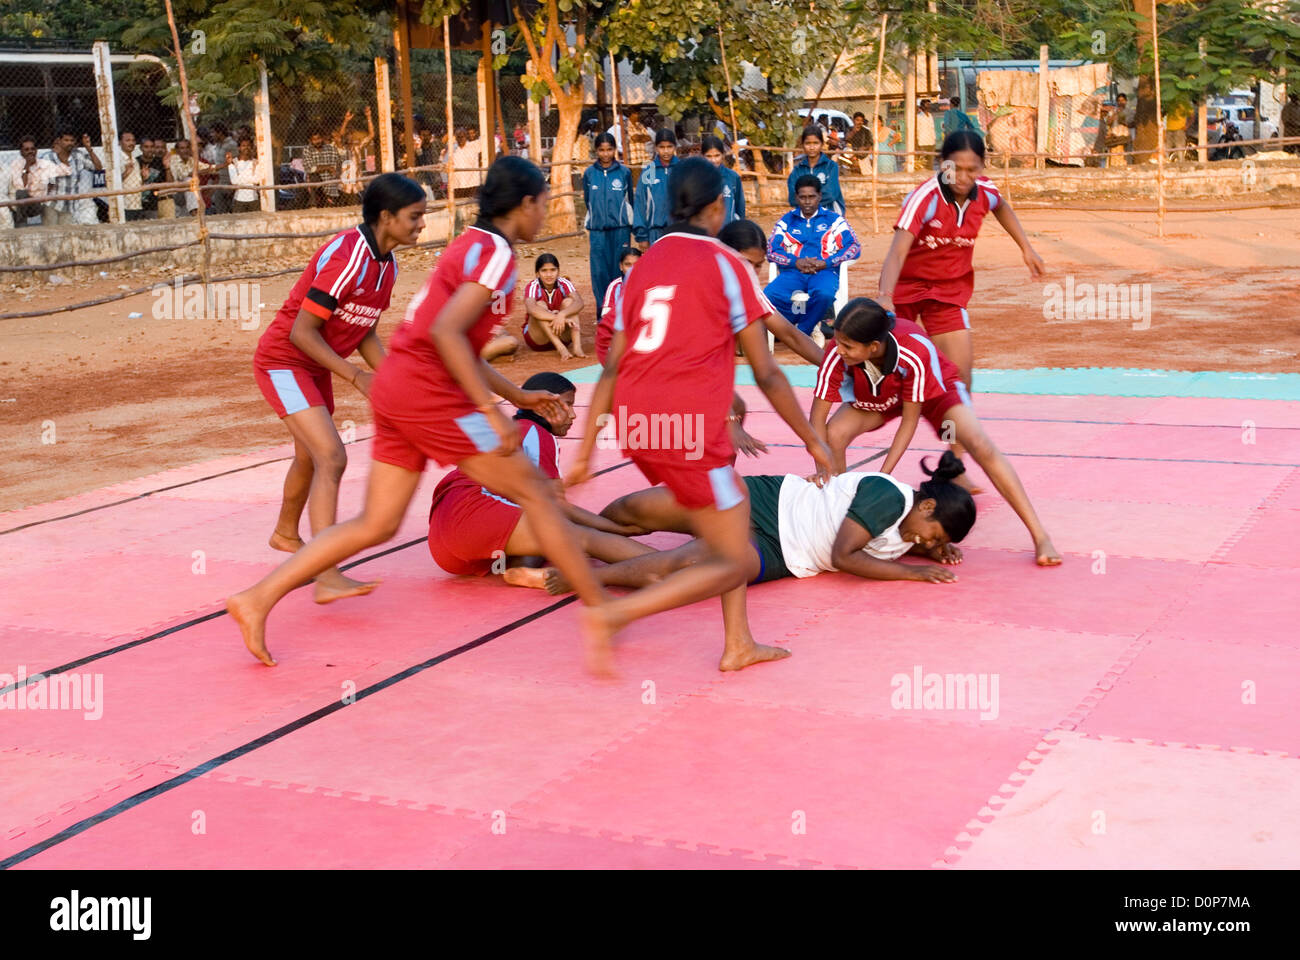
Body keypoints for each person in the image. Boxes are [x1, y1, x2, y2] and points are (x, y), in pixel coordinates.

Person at [229, 157, 613, 667]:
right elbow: (447, 335)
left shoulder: (471, 245)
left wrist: (517, 398)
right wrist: (489, 411)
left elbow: (460, 344)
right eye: (544, 202)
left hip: (400, 388)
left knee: (378, 523)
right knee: (537, 490)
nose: (547, 212)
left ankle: (256, 599)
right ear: (525, 204)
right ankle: (601, 613)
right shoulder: (494, 256)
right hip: (430, 396)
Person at [567, 156, 836, 673]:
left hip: (638, 422)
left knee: (730, 526)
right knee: (735, 556)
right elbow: (769, 372)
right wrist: (811, 438)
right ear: (719, 207)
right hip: (686, 427)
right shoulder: (726, 265)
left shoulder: (645, 262)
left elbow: (614, 365)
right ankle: (617, 614)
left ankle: (738, 642)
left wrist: (584, 450)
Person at [249, 173, 426, 607]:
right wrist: (355, 376)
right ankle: (326, 572)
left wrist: (389, 379)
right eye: (415, 217)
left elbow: (365, 330)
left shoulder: (389, 264)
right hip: (284, 362)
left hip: (313, 367)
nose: (422, 225)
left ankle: (286, 533)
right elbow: (300, 333)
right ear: (386, 217)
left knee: (309, 456)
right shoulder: (348, 256)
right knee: (332, 456)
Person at [810, 298, 1060, 566]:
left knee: (978, 442)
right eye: (838, 342)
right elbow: (817, 417)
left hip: (934, 394)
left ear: (873, 346)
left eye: (847, 346)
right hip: (883, 394)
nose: (839, 349)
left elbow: (910, 421)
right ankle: (839, 518)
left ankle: (1040, 535)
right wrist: (825, 470)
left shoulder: (914, 351)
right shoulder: (838, 350)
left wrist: (882, 479)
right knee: (833, 434)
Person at [519, 451, 974, 596]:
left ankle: (578, 576)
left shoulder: (911, 531)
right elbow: (843, 555)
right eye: (933, 534)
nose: (926, 543)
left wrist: (934, 549)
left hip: (780, 555)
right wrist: (915, 570)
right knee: (631, 510)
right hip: (764, 501)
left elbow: (901, 540)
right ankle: (580, 534)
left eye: (934, 544)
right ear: (927, 506)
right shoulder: (890, 494)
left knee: (674, 570)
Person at [429, 372, 654, 578]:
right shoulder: (536, 433)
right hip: (471, 516)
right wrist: (618, 529)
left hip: (445, 542)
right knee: (581, 537)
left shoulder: (513, 429)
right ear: (542, 407)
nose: (574, 415)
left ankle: (524, 573)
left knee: (548, 535)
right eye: (567, 405)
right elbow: (556, 505)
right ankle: (669, 567)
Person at [878, 130, 1044, 395]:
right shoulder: (925, 198)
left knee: (959, 381)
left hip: (948, 292)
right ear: (943, 163)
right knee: (885, 385)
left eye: (972, 170)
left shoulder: (985, 192)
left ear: (982, 166)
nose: (964, 178)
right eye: (956, 168)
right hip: (904, 291)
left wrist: (1026, 248)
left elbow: (1001, 206)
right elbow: (896, 252)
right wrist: (885, 296)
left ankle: (954, 436)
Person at [764, 174, 861, 335]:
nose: (807, 202)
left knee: (824, 295)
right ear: (796, 197)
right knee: (768, 296)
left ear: (820, 196)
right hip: (793, 272)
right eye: (803, 197)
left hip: (824, 272)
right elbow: (772, 251)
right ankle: (790, 326)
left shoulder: (834, 220)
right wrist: (795, 262)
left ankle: (802, 331)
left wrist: (827, 263)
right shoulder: (786, 221)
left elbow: (854, 247)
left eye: (812, 197)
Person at [582, 132, 634, 316]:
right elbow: (588, 201)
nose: (605, 154)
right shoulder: (589, 174)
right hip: (597, 231)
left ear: (615, 150)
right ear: (596, 150)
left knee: (619, 269)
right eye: (601, 150)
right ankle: (602, 312)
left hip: (620, 229)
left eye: (609, 149)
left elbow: (630, 201)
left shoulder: (624, 172)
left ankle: (621, 312)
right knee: (599, 272)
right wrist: (596, 220)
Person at [522, 253, 586, 359]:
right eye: (544, 271)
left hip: (562, 335)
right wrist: (559, 318)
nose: (549, 274)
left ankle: (577, 347)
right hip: (538, 340)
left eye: (553, 270)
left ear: (558, 271)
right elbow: (532, 309)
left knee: (570, 302)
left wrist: (562, 314)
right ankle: (561, 349)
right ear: (537, 273)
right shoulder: (533, 286)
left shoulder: (564, 283)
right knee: (539, 305)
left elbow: (579, 302)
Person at [42, 129, 102, 226]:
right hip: (51, 204)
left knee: (66, 236)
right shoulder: (49, 157)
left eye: (72, 140)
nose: (69, 143)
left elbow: (98, 167)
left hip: (69, 206)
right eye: (66, 140)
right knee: (50, 235)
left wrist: (88, 148)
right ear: (59, 141)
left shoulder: (78, 156)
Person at [631, 128, 678, 249]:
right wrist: (642, 235)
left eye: (669, 147)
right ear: (656, 148)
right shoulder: (649, 170)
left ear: (675, 147)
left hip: (679, 231)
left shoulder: (682, 168)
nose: (666, 151)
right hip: (655, 231)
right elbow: (641, 201)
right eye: (662, 147)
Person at [594, 245, 640, 365]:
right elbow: (606, 317)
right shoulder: (615, 286)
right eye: (627, 264)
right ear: (621, 266)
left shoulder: (650, 284)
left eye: (636, 264)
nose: (632, 269)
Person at [786, 125, 845, 214]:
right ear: (802, 145)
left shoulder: (831, 166)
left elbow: (831, 194)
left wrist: (805, 202)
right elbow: (792, 198)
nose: (812, 147)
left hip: (830, 215)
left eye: (816, 143)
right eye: (808, 143)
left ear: (822, 144)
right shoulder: (798, 170)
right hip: (805, 216)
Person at [700, 134, 744, 224]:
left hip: (729, 232)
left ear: (723, 155)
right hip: (705, 233)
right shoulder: (697, 178)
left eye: (717, 155)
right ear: (702, 156)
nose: (713, 160)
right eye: (709, 156)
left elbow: (740, 208)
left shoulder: (732, 177)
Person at [608, 105, 652, 183]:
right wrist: (640, 137)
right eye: (638, 113)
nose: (639, 115)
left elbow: (648, 138)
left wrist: (639, 137)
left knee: (644, 181)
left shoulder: (640, 125)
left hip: (642, 157)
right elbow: (633, 138)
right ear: (632, 114)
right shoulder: (625, 124)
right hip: (632, 158)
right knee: (636, 182)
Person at [303, 126, 343, 208]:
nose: (318, 141)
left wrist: (335, 171)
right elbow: (311, 169)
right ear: (310, 140)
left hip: (330, 178)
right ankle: (313, 204)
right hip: (315, 179)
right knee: (314, 177)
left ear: (322, 138)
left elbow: (338, 161)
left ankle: (328, 200)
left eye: (319, 138)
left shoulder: (330, 148)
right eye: (314, 139)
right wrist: (328, 167)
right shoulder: (307, 150)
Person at [228, 137, 260, 213]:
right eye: (243, 145)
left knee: (255, 221)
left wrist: (240, 178)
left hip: (253, 198)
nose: (246, 148)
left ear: (252, 147)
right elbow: (234, 181)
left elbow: (257, 180)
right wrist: (250, 179)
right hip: (239, 199)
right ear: (239, 148)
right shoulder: (233, 162)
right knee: (239, 222)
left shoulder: (256, 162)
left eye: (248, 145)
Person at [916, 100, 937, 168]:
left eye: (929, 104)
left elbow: (932, 129)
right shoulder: (918, 117)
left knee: (930, 165)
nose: (928, 106)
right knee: (922, 165)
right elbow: (916, 131)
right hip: (922, 143)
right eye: (927, 104)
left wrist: (934, 140)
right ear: (922, 106)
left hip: (931, 143)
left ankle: (929, 178)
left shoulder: (930, 116)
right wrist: (917, 145)